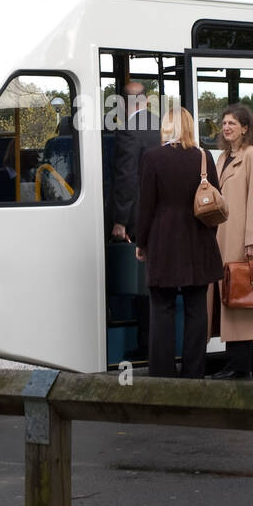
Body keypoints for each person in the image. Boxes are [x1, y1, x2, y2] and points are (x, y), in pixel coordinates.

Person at [134, 106, 224, 378]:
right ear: (189, 127)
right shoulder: (204, 157)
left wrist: (142, 241)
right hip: (198, 241)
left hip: (164, 241)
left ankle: (162, 372)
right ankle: (193, 372)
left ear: (166, 127)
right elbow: (216, 200)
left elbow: (146, 205)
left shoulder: (153, 158)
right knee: (197, 308)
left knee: (162, 308)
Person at [210, 104, 253, 379]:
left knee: (237, 298)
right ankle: (249, 361)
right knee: (234, 297)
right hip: (222, 236)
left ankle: (239, 364)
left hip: (240, 238)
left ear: (246, 128)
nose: (226, 127)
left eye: (232, 123)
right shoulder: (222, 158)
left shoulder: (252, 155)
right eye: (224, 123)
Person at [109, 81, 161, 357]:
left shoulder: (129, 128)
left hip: (139, 218)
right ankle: (155, 345)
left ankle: (146, 345)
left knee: (143, 287)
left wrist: (119, 220)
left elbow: (126, 178)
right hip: (159, 215)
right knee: (156, 286)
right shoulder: (160, 125)